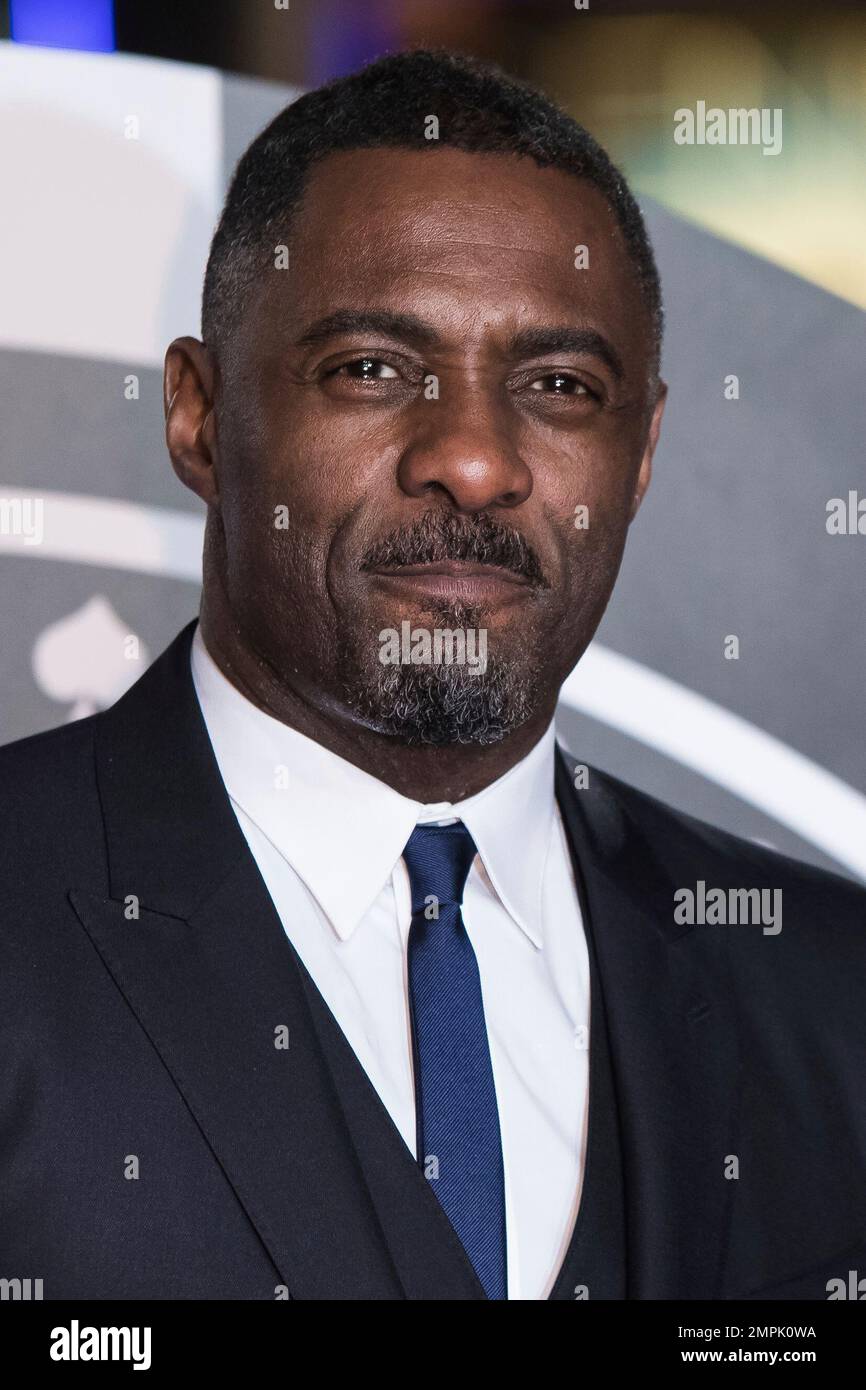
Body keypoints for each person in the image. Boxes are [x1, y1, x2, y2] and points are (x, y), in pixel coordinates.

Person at [1, 49, 864, 1302]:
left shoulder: (827, 987)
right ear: (197, 414)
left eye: (558, 386)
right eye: (370, 368)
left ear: (639, 455)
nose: (471, 459)